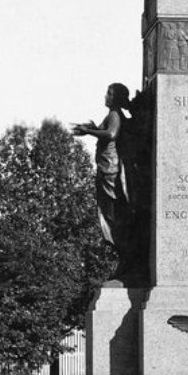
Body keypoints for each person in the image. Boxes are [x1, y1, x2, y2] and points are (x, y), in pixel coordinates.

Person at [71, 84, 132, 253]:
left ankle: (122, 246)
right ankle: (120, 246)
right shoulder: (112, 115)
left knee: (113, 211)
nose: (106, 96)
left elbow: (112, 134)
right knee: (109, 211)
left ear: (116, 98)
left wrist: (89, 131)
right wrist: (93, 129)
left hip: (109, 169)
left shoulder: (115, 115)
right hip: (106, 167)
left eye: (109, 94)